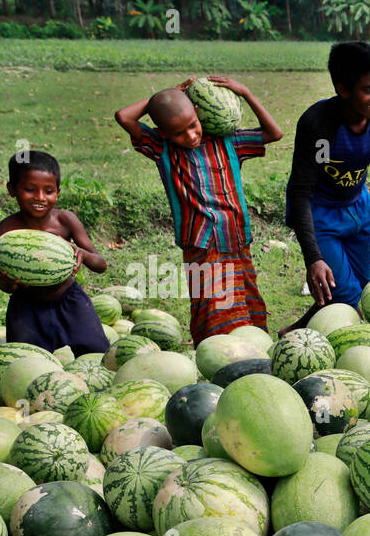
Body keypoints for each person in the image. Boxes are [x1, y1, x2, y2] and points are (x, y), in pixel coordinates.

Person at [115, 75, 281, 343]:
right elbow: (124, 117)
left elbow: (275, 133)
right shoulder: (162, 148)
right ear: (164, 132)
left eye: (193, 125)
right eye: (179, 133)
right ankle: (220, 350)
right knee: (213, 301)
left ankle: (254, 344)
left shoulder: (229, 142)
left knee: (246, 292)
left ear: (198, 112)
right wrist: (168, 94)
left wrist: (246, 93)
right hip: (201, 242)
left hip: (236, 237)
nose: (190, 136)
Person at [283, 41, 370, 330]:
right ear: (343, 89)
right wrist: (313, 257)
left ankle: (292, 331)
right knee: (347, 294)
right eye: (369, 89)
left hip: (358, 207)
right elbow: (300, 191)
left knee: (361, 289)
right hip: (319, 212)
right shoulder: (317, 123)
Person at [0, 151, 108, 355]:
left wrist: (83, 253)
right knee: (27, 360)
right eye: (29, 189)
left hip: (69, 300)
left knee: (97, 353)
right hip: (26, 307)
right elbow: (6, 286)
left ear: (58, 191)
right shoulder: (5, 231)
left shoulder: (66, 221)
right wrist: (8, 282)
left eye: (48, 191)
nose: (40, 198)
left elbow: (101, 264)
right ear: (12, 190)